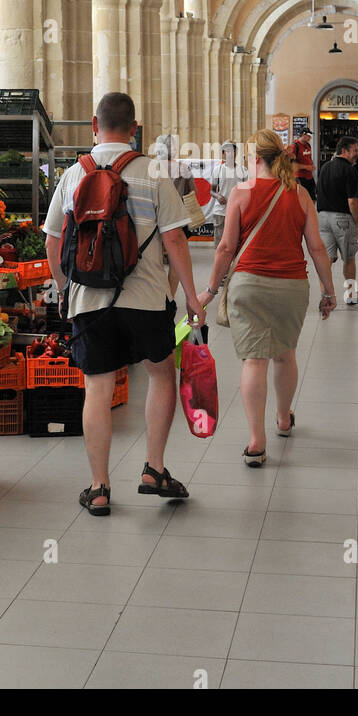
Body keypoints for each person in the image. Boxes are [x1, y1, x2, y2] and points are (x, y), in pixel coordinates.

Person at [44, 93, 205, 516]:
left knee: (97, 387)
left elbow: (52, 241)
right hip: (148, 298)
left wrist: (64, 290)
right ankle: (154, 468)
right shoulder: (153, 171)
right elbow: (174, 239)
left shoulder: (72, 174)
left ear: (94, 124)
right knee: (160, 375)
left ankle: (99, 488)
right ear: (135, 128)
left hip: (88, 300)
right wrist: (191, 296)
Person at [199, 129, 336, 466]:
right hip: (291, 286)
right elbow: (316, 247)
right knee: (285, 355)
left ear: (255, 159)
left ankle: (257, 441)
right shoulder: (300, 195)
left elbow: (226, 247)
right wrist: (328, 290)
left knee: (254, 361)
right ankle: (284, 418)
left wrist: (211, 290)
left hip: (248, 286)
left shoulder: (242, 193)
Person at [315, 136, 358, 306]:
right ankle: (351, 295)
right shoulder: (350, 171)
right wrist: (356, 222)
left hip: (322, 218)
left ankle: (325, 296)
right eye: (355, 150)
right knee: (349, 258)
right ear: (344, 151)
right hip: (342, 219)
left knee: (327, 259)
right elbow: (352, 201)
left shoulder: (324, 168)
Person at [153, 133, 201, 312]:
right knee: (175, 261)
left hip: (155, 219)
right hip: (177, 219)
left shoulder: (152, 168)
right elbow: (193, 193)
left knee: (155, 258)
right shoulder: (183, 169)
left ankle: (157, 295)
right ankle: (170, 297)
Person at [209, 141, 249, 239]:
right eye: (227, 151)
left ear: (236, 152)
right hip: (221, 211)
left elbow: (247, 191)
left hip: (238, 211)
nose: (230, 153)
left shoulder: (243, 170)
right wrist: (218, 196)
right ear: (223, 153)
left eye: (233, 150)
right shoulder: (217, 170)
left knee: (236, 241)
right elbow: (212, 190)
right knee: (220, 243)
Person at [288, 129, 315, 200]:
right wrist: (306, 167)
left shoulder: (308, 145)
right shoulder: (294, 146)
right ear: (303, 135)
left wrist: (311, 164)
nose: (310, 138)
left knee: (312, 198)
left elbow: (308, 157)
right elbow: (291, 164)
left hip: (309, 176)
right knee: (302, 199)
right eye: (308, 136)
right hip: (299, 177)